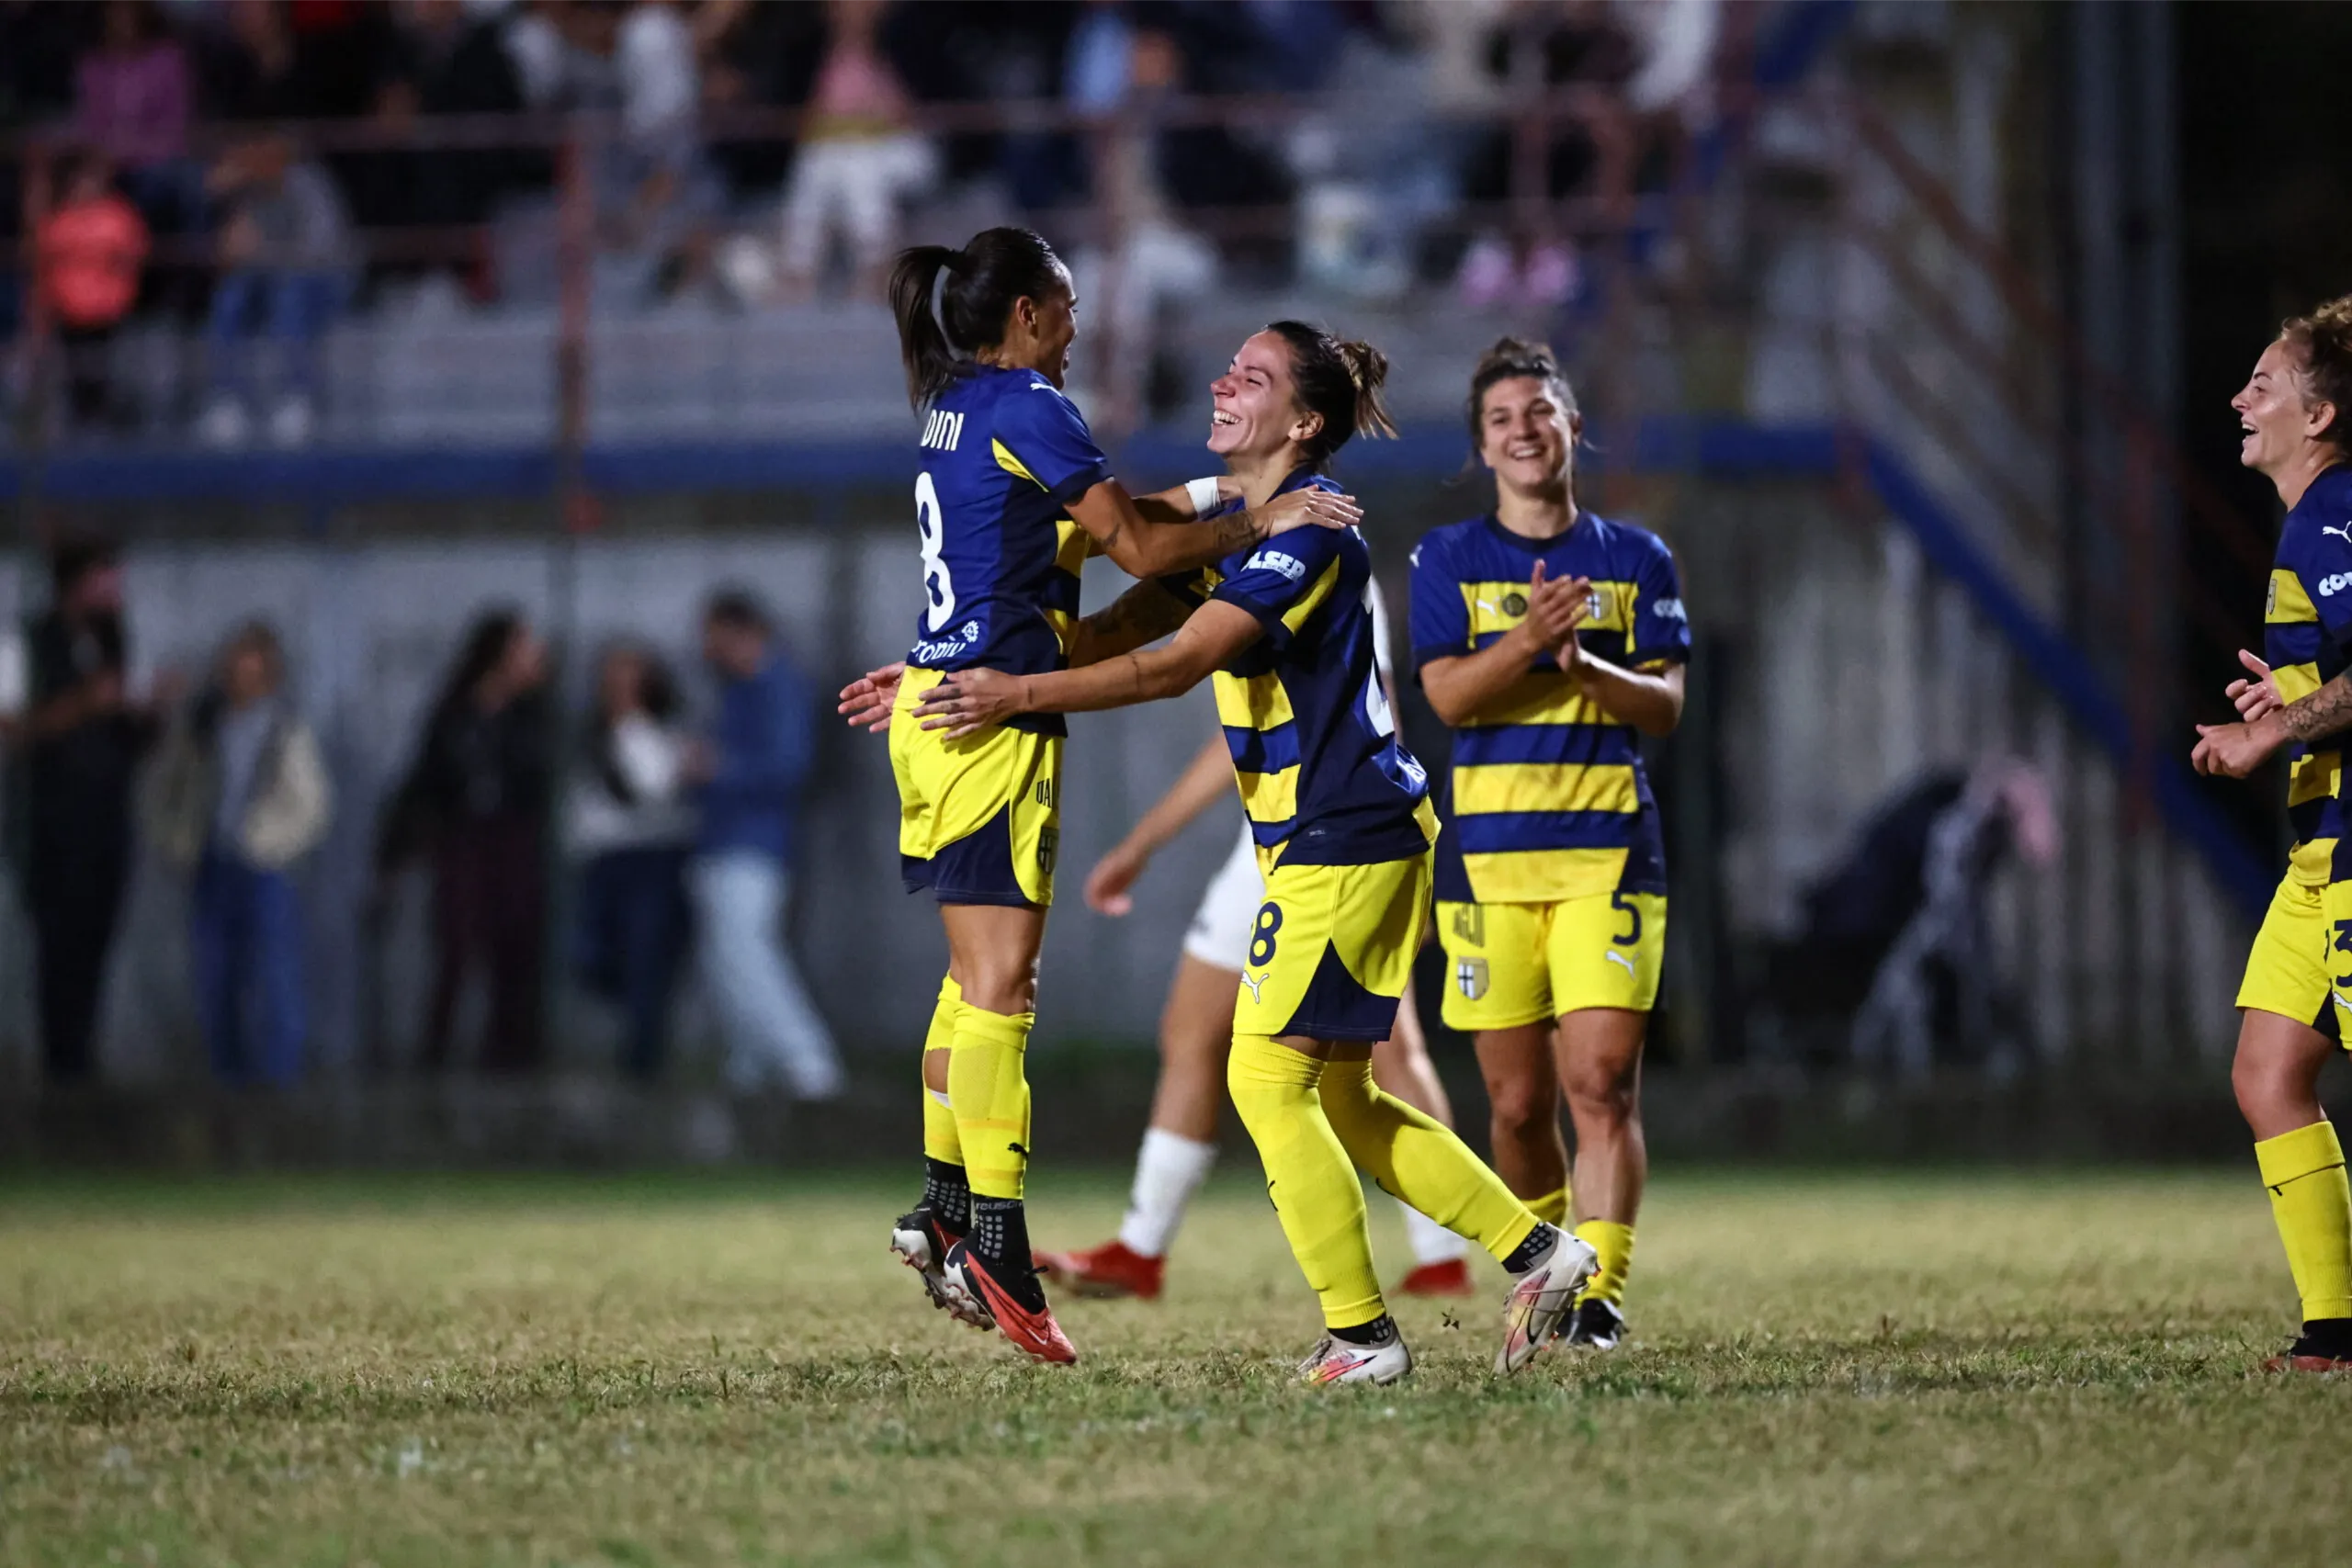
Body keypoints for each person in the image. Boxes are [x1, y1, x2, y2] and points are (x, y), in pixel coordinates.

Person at [903, 321, 1597, 1384]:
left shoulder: (1306, 538)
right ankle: (1542, 1254)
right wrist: (930, 671)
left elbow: (1170, 668)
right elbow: (1096, 635)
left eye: (1255, 377)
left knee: (1265, 1080)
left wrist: (1012, 694)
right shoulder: (1246, 527)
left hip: (1344, 839)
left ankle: (1361, 1337)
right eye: (1229, 365)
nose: (1225, 381)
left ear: (1303, 422)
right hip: (1336, 838)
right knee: (1346, 1096)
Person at [834, 226, 1363, 1366]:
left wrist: (929, 663)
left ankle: (939, 1210)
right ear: (1025, 314)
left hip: (941, 702)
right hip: (989, 721)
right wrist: (1260, 519)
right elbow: (1129, 546)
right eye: (1066, 308)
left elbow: (1031, 544)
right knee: (1000, 991)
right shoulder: (1031, 404)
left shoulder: (952, 403)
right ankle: (997, 1247)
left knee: (969, 982)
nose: (1077, 331)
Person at [1033, 598, 1478, 1302]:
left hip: (1337, 834)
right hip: (1270, 840)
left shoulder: (1319, 546)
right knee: (1192, 1030)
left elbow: (1375, 702)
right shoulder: (1246, 553)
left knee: (1383, 1049)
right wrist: (1142, 846)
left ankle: (1448, 1254)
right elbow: (1237, 736)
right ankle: (1140, 1249)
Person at [1407, 337, 1690, 1351]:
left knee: (1601, 1086)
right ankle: (1546, 1274)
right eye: (1501, 420)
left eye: (1539, 412)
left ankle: (1597, 1294)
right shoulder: (1449, 559)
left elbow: (1663, 708)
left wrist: (1584, 668)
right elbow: (1443, 695)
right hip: (1487, 861)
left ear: (1573, 426)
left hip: (1606, 854)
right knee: (1518, 1107)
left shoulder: (1634, 559)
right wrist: (1526, 644)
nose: (1522, 431)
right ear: (1482, 448)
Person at [2184, 295, 2352, 1373]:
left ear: (2320, 413)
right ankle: (2333, 1333)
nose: (2241, 399)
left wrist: (2277, 730)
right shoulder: (2314, 518)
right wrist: (2286, 704)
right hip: (2318, 852)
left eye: (2264, 383)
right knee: (2266, 1070)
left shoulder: (2336, 512)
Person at [0, 537, 168, 1085]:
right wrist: (81, 705)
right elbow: (14, 730)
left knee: (98, 938)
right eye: (103, 581)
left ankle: (83, 1056)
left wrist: (148, 713)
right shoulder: (25, 641)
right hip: (51, 827)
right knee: (59, 945)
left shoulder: (114, 643)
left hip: (106, 823)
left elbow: (128, 738)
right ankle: (60, 1065)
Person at [141, 621, 332, 1089]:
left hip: (264, 870)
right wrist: (176, 842)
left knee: (274, 979)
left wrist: (269, 844)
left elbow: (312, 806)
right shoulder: (203, 726)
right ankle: (229, 1084)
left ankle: (278, 1089)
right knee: (216, 982)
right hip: (213, 865)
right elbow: (161, 790)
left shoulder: (284, 729)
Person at [382, 608, 552, 1076]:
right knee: (456, 946)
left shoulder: (534, 714)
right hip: (463, 840)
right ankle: (434, 1058)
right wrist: (395, 852)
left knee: (514, 950)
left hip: (513, 840)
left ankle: (509, 1060)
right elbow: (424, 779)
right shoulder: (454, 712)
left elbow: (540, 778)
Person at [689, 591, 843, 1100]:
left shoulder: (778, 686)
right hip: (724, 839)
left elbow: (788, 767)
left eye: (715, 637)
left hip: (754, 845)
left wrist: (718, 768)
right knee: (724, 958)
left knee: (748, 952)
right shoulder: (739, 690)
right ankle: (751, 1060)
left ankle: (808, 1059)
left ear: (743, 631)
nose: (707, 649)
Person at [566, 640, 694, 1083]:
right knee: (593, 957)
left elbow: (654, 791)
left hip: (649, 857)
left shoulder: (660, 734)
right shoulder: (590, 735)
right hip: (602, 860)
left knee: (646, 957)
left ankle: (642, 1059)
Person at [198, 130, 354, 447]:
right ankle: (227, 400)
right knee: (230, 297)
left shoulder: (309, 186)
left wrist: (264, 251)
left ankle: (297, 398)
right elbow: (230, 256)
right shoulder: (246, 194)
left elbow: (320, 252)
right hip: (267, 280)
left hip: (322, 282)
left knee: (289, 295)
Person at [775, 0, 935, 301]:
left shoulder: (903, 42)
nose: (852, 11)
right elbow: (807, 123)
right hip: (849, 150)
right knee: (817, 161)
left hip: (908, 148)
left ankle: (875, 267)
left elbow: (909, 116)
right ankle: (800, 268)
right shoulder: (814, 55)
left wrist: (864, 119)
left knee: (857, 162)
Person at [35, 148, 150, 431]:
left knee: (106, 368)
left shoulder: (119, 218)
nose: (86, 187)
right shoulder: (58, 222)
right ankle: (79, 418)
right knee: (75, 370)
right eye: (81, 181)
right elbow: (45, 266)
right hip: (69, 311)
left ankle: (110, 419)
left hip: (110, 310)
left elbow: (134, 257)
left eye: (92, 180)